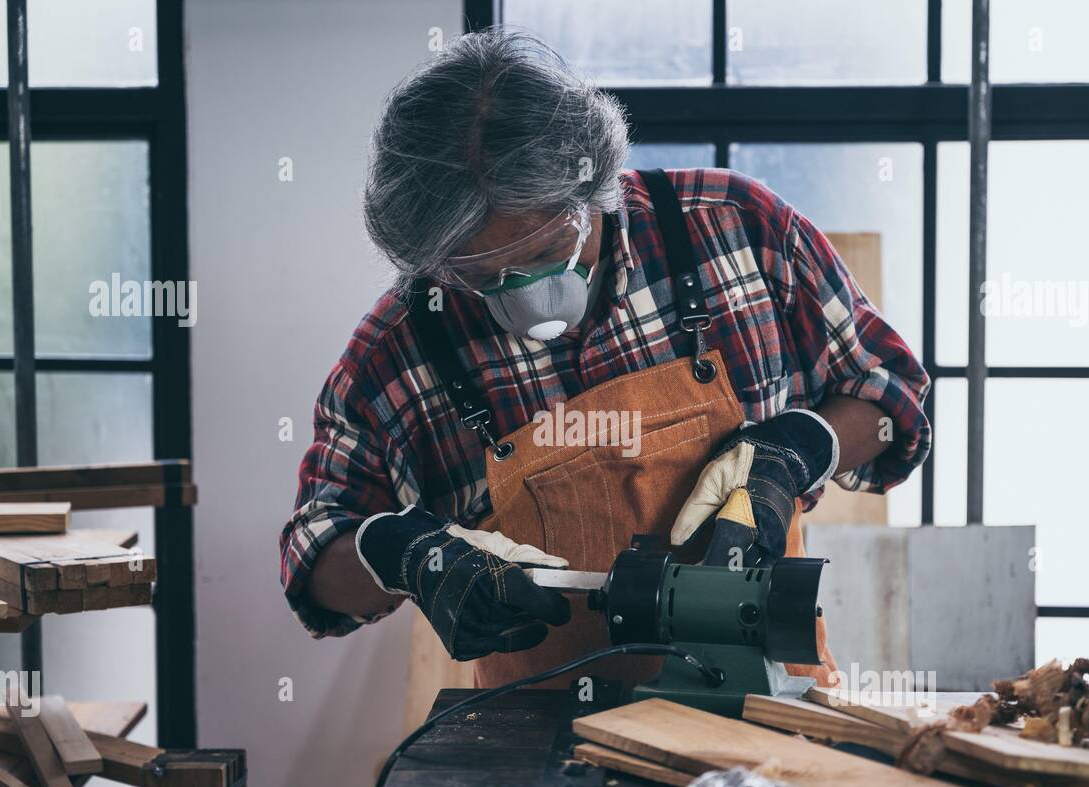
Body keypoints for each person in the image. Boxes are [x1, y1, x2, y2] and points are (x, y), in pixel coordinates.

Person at [280, 29, 930, 689]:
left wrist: (794, 452)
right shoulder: (404, 347)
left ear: (594, 185)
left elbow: (891, 399)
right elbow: (313, 557)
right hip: (536, 746)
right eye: (481, 276)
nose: (522, 295)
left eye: (541, 254)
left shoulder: (735, 229)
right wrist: (405, 555)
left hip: (764, 712)